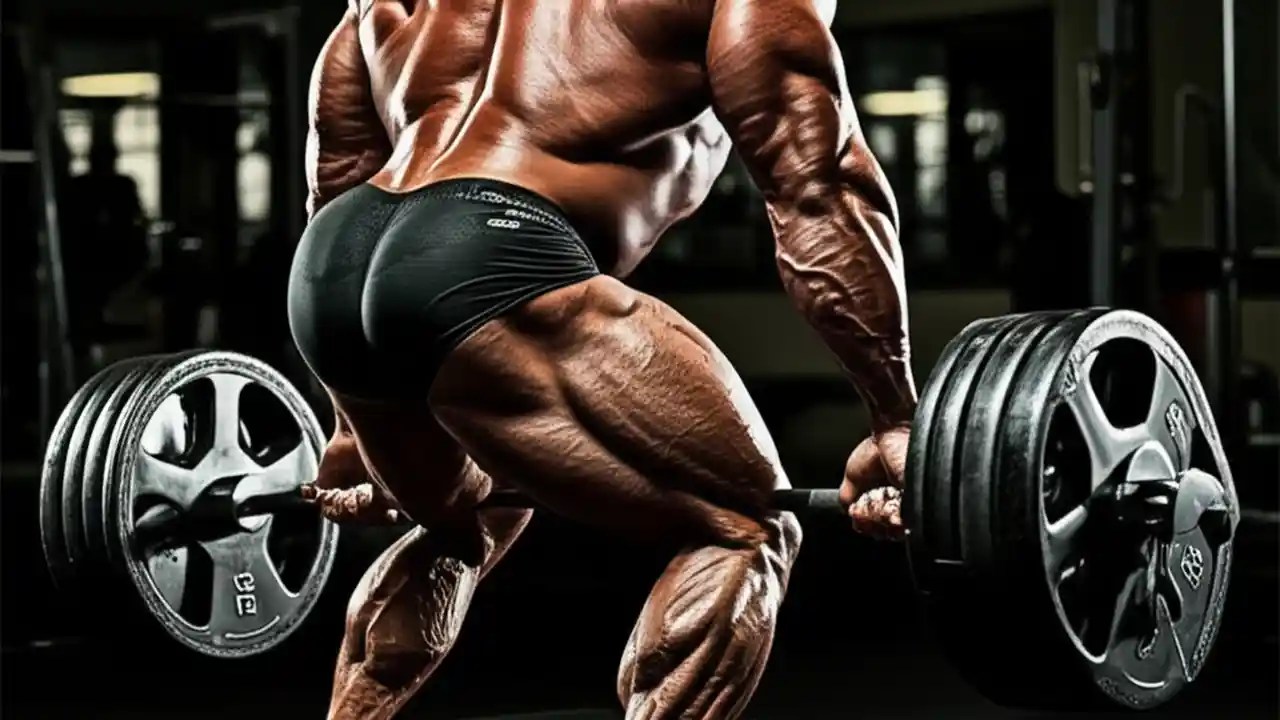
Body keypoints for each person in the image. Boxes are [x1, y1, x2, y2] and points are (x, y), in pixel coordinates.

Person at [288, 1, 917, 718]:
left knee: (465, 517)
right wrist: (893, 413)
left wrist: (351, 423)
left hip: (335, 259)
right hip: (493, 251)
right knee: (745, 527)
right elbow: (817, 185)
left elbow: (339, 166)